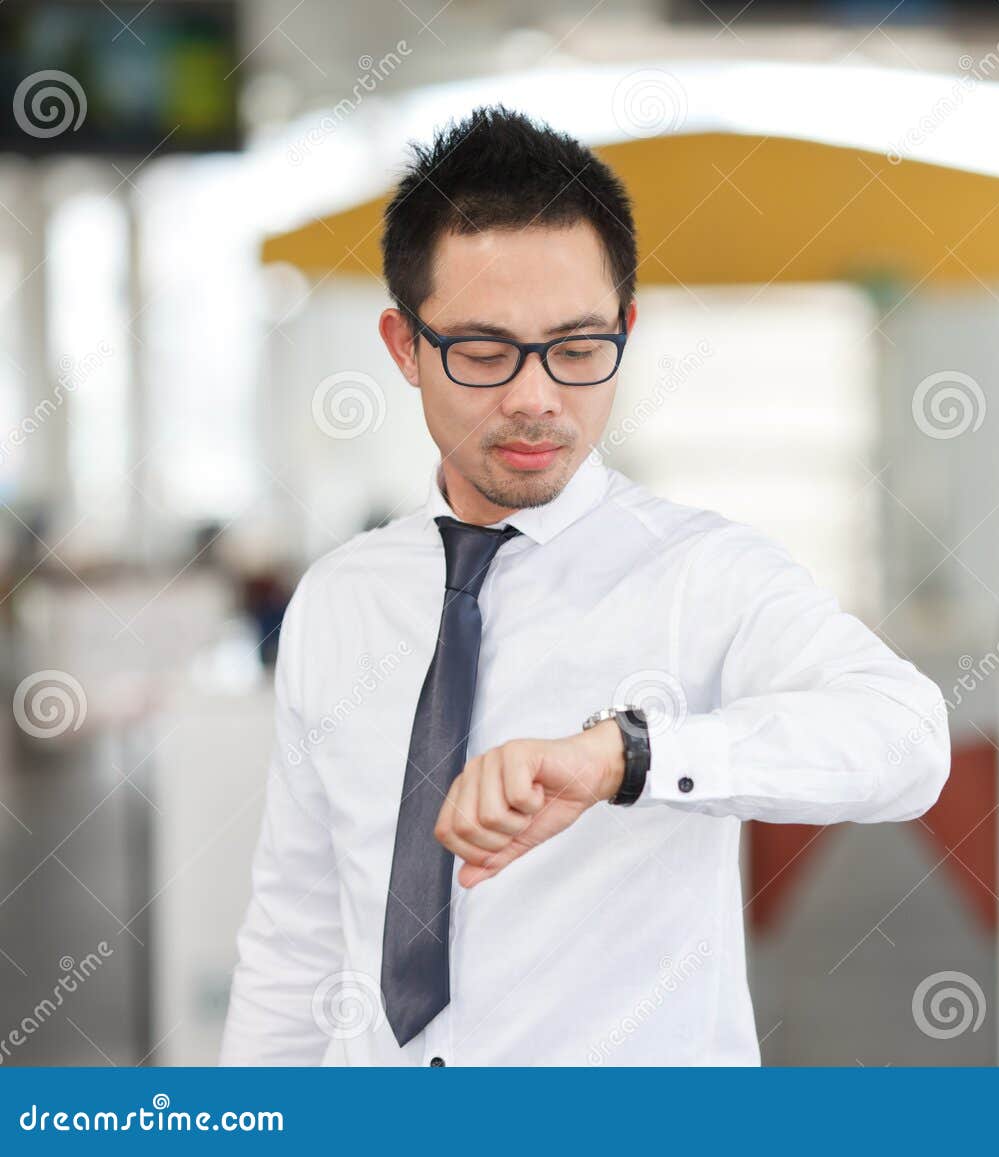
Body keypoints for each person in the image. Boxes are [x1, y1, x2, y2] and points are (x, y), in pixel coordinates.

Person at [219, 105, 950, 1066]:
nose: (536, 398)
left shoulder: (703, 575)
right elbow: (297, 938)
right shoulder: (339, 601)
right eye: (484, 352)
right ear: (404, 347)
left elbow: (906, 738)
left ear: (625, 330)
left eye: (576, 348)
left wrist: (631, 757)